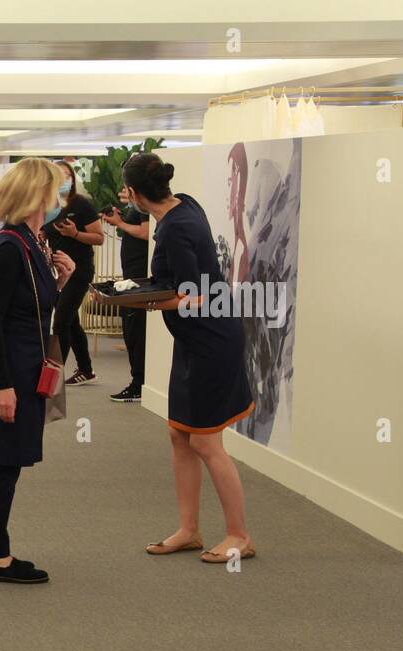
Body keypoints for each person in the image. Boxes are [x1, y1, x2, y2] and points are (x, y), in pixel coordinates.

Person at [113, 151, 255, 564]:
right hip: (195, 340)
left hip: (212, 340)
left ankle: (239, 536)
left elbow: (189, 295)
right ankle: (189, 529)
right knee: (179, 434)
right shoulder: (185, 204)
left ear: (136, 194)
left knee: (207, 442)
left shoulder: (174, 228)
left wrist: (138, 302)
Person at [0, 158, 75, 583]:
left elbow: (32, 305)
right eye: (56, 192)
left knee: (1, 458)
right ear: (38, 195)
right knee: (5, 460)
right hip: (10, 364)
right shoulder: (10, 247)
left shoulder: (32, 241)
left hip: (27, 360)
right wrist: (4, 386)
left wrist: (61, 282)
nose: (61, 201)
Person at [42, 160, 102, 385]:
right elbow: (43, 234)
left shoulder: (82, 204)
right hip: (58, 272)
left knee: (60, 322)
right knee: (71, 321)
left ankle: (52, 377)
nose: (64, 180)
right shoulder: (49, 205)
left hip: (79, 271)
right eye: (60, 175)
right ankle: (86, 369)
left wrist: (75, 234)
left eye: (68, 176)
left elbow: (99, 238)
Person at [102, 186, 150, 401]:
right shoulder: (136, 206)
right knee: (131, 331)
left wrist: (119, 223)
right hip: (131, 275)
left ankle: (139, 383)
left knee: (135, 331)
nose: (122, 189)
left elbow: (146, 233)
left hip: (138, 278)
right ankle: (138, 381)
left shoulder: (144, 205)